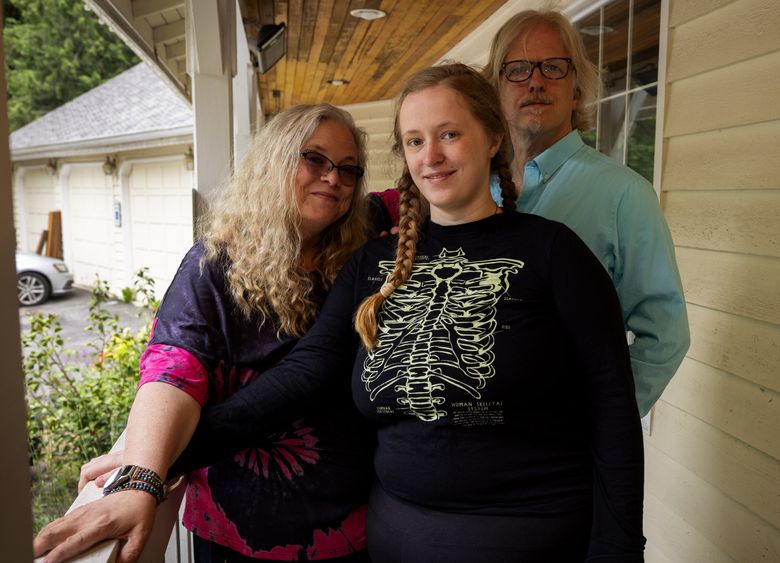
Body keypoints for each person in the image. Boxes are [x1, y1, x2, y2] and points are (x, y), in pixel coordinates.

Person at [171, 63, 646, 562]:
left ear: (492, 139)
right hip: (393, 539)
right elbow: (307, 370)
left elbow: (612, 404)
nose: (431, 156)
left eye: (449, 134)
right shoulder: (372, 263)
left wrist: (618, 547)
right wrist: (167, 454)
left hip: (533, 534)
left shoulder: (553, 253)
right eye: (415, 141)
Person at [33, 104, 375, 563]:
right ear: (275, 161)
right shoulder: (215, 266)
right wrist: (142, 470)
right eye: (315, 159)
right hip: (240, 533)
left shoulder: (362, 262)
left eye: (348, 169)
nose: (333, 178)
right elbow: (174, 369)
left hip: (352, 526)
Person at [483, 9, 690, 417]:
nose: (536, 81)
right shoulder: (473, 189)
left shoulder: (623, 194)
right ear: (495, 89)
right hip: (476, 437)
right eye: (518, 69)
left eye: (553, 68)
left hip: (564, 444)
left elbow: (665, 333)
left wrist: (602, 420)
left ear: (576, 90)